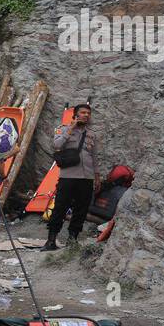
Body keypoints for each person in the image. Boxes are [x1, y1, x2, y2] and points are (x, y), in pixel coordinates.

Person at [43, 104, 101, 250]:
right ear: (75, 114)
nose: (86, 115)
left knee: (81, 209)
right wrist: (71, 129)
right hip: (68, 177)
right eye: (83, 112)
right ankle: (51, 241)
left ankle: (72, 240)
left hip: (87, 178)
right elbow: (57, 144)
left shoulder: (92, 134)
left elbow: (94, 157)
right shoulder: (63, 129)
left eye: (88, 113)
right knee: (60, 208)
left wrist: (97, 176)